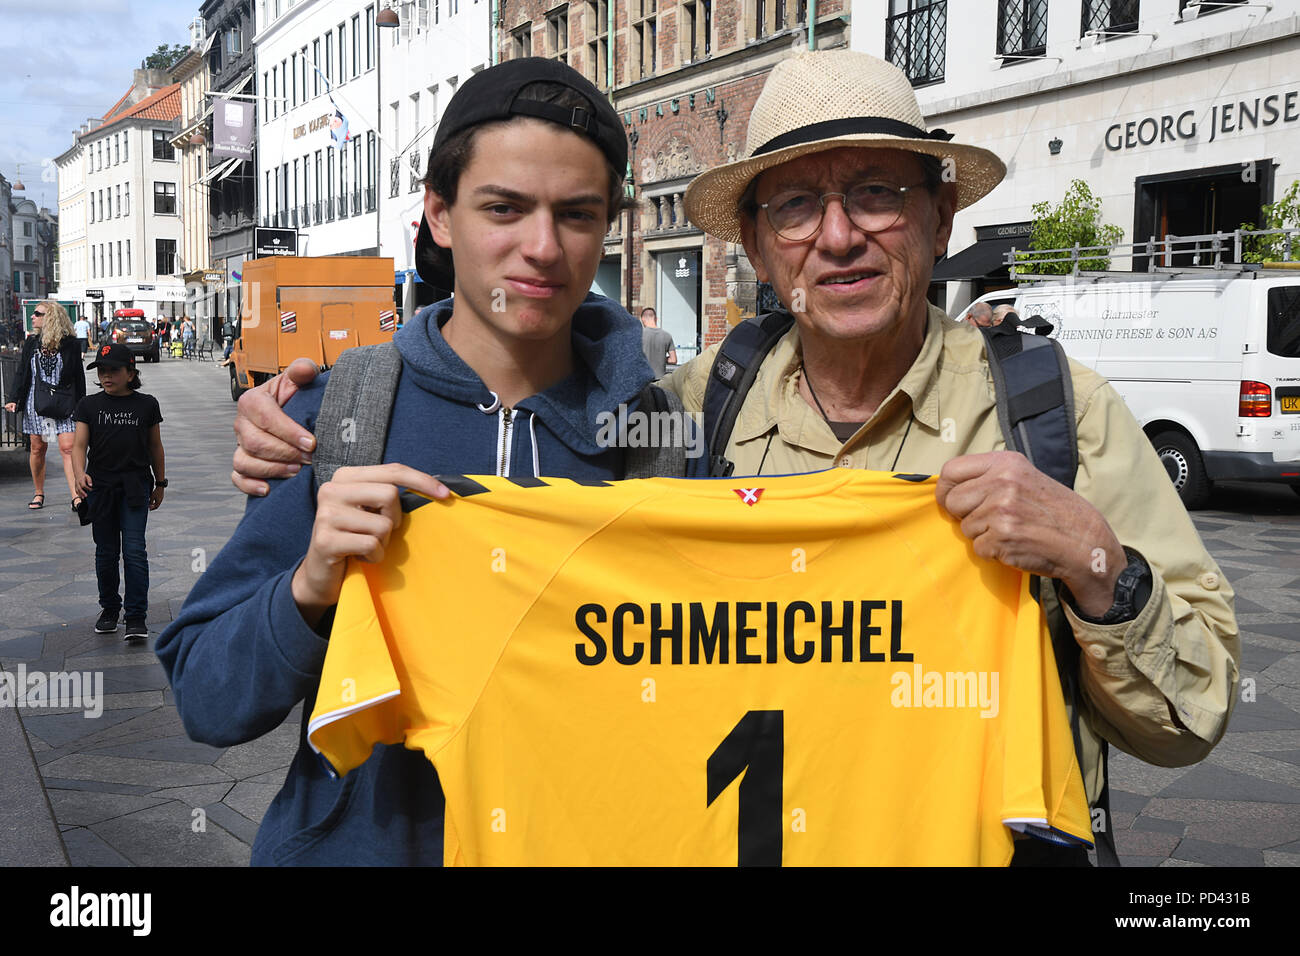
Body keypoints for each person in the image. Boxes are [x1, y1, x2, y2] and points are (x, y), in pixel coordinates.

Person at [229, 50, 1240, 866]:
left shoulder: (1054, 413)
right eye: (795, 205)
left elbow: (1193, 719)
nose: (837, 236)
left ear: (939, 214)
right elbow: (538, 465)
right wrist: (312, 424)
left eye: (876, 194)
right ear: (756, 247)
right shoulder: (682, 412)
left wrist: (1096, 565)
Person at [156, 57, 697, 866]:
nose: (542, 248)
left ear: (609, 226)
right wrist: (306, 588)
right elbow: (207, 701)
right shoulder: (330, 420)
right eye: (504, 208)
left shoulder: (665, 441)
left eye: (577, 214)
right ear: (440, 216)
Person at [72, 344, 166, 640]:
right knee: (106, 552)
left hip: (136, 487)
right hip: (100, 488)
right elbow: (78, 446)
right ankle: (110, 608)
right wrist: (78, 474)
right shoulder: (88, 405)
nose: (106, 375)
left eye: (114, 370)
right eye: (102, 370)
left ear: (131, 373)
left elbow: (155, 446)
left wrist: (160, 483)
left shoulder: (147, 404)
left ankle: (136, 616)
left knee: (135, 551)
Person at [3, 301, 87, 511]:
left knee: (68, 448)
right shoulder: (32, 343)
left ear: (51, 318)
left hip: (64, 401)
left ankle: (76, 496)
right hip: (35, 402)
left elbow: (78, 376)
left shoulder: (70, 344)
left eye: (38, 314)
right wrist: (14, 397)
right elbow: (23, 372)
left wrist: (82, 405)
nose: (32, 317)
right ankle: (39, 492)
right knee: (38, 448)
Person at [638, 306, 676, 377]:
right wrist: (662, 358)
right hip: (660, 379)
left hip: (644, 379)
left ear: (642, 319)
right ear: (656, 319)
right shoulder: (667, 335)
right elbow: (673, 360)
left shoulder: (639, 335)